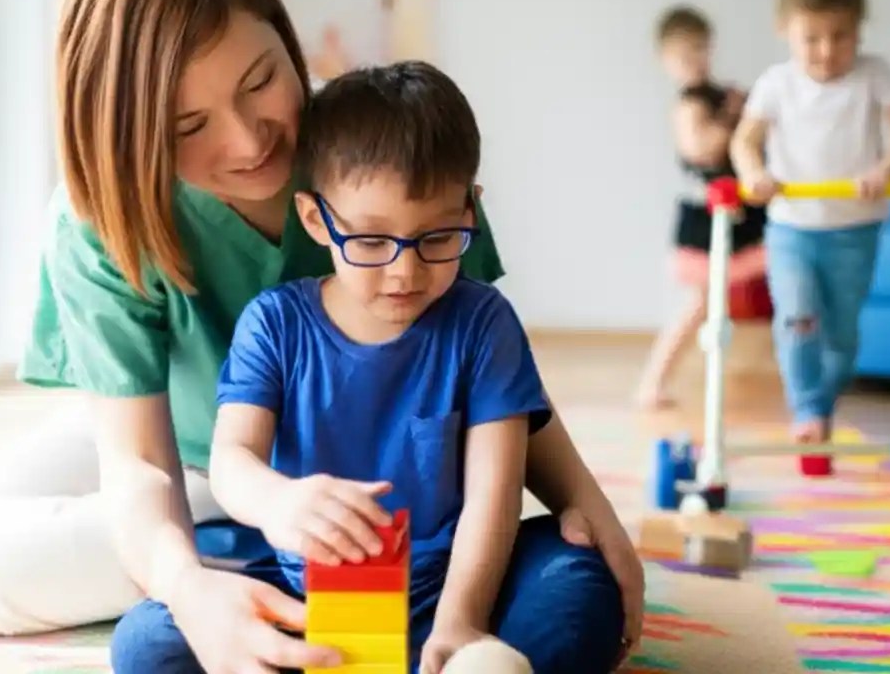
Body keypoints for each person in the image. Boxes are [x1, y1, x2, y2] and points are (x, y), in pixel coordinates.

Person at [0, 0, 645, 670]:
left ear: (287, 42)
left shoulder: (379, 153)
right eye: (188, 126)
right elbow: (137, 464)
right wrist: (190, 589)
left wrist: (585, 506)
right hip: (197, 463)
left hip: (399, 499)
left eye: (260, 81)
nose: (250, 140)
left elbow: (490, 377)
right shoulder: (101, 221)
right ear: (131, 138)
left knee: (574, 579)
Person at [110, 61, 625, 674]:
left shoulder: (482, 322)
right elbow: (232, 460)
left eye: (436, 238)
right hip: (305, 591)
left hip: (446, 589)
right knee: (147, 641)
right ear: (314, 220)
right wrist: (278, 503)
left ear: (470, 213)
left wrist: (461, 619)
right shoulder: (275, 323)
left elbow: (495, 495)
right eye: (373, 242)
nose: (404, 272)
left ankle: (469, 659)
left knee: (581, 582)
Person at [730, 0, 890, 444]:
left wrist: (885, 168)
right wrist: (755, 173)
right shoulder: (777, 84)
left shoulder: (874, 74)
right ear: (785, 29)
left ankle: (827, 396)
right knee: (797, 317)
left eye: (840, 36)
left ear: (859, 30)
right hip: (793, 227)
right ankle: (807, 409)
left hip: (854, 230)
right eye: (811, 38)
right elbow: (744, 141)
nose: (825, 51)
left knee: (841, 334)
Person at [634, 5, 769, 409]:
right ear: (666, 62)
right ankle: (652, 380)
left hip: (738, 211)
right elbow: (702, 149)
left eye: (699, 50)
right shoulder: (690, 104)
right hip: (710, 215)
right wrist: (733, 118)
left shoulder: (716, 95)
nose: (694, 61)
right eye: (683, 55)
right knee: (699, 304)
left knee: (761, 278)